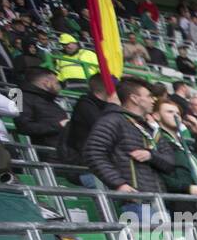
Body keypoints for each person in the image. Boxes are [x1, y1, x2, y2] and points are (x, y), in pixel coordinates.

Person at [82, 77, 175, 226]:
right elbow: (93, 152)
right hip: (135, 201)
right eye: (149, 96)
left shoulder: (148, 127)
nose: (153, 101)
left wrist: (151, 156)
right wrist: (119, 184)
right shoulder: (113, 120)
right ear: (135, 99)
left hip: (157, 200)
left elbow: (170, 161)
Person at [14, 68, 68, 150]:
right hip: (50, 155)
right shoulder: (21, 97)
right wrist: (58, 125)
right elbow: (24, 126)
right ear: (46, 83)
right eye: (57, 83)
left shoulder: (50, 100)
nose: (59, 86)